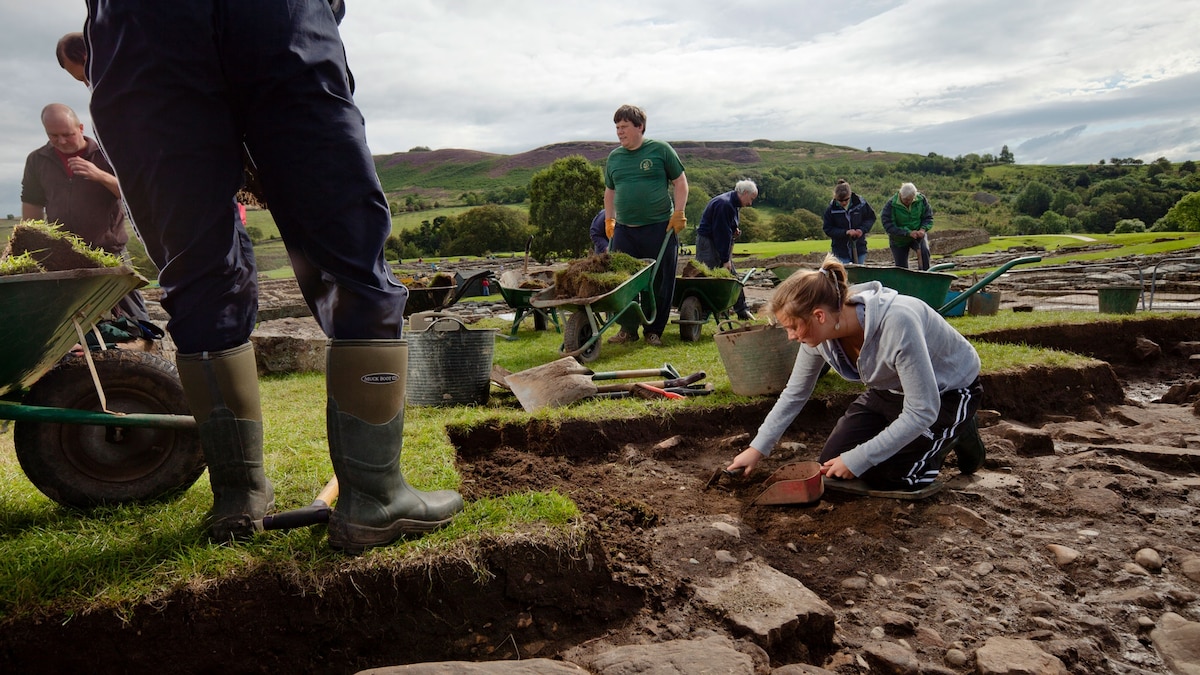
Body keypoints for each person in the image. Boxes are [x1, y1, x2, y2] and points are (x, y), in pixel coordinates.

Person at [83, 0, 463, 552]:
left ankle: (238, 499)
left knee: (193, 266)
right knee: (347, 249)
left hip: (141, 27)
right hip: (275, 19)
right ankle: (374, 497)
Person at [725, 254, 985, 491]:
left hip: (946, 393)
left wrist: (859, 458)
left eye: (793, 327)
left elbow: (922, 410)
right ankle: (932, 434)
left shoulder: (898, 323)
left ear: (819, 316)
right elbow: (795, 394)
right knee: (832, 467)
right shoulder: (819, 338)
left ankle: (958, 430)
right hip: (890, 391)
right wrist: (757, 448)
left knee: (887, 476)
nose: (791, 337)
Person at [21, 103, 150, 323]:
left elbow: (137, 195)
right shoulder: (37, 160)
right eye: (53, 135)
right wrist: (32, 246)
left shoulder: (106, 154)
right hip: (64, 254)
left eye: (67, 134)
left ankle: (147, 350)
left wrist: (101, 176)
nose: (61, 141)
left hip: (109, 252)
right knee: (74, 316)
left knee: (135, 318)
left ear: (80, 128)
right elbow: (32, 204)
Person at [602, 104, 688, 347]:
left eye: (624, 127)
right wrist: (610, 219)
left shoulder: (660, 150)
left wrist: (679, 213)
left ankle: (654, 331)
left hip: (659, 227)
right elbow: (610, 191)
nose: (619, 132)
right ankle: (627, 329)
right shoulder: (614, 157)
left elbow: (680, 182)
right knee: (622, 281)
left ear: (640, 127)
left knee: (660, 280)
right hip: (625, 230)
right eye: (617, 127)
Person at [696, 179, 756, 320]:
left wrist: (734, 229)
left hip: (716, 240)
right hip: (708, 242)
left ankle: (742, 310)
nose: (751, 203)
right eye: (751, 198)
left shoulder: (733, 203)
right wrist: (725, 260)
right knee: (707, 275)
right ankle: (701, 313)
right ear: (745, 193)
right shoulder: (725, 204)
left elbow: (727, 226)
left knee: (732, 277)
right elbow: (721, 233)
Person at [881, 182, 934, 270]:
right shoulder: (891, 205)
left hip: (918, 236)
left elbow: (928, 217)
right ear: (900, 194)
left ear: (914, 196)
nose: (908, 202)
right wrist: (907, 233)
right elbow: (888, 226)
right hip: (899, 240)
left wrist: (923, 229)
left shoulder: (921, 200)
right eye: (905, 200)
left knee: (924, 253)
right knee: (901, 269)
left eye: (910, 200)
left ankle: (925, 278)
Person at [822, 179, 876, 265]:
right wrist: (845, 232)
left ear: (850, 195)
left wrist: (861, 230)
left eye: (846, 200)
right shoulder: (831, 209)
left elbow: (870, 218)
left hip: (859, 247)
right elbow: (828, 228)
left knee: (859, 274)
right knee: (844, 275)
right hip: (840, 250)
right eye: (840, 200)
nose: (843, 203)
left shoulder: (861, 204)